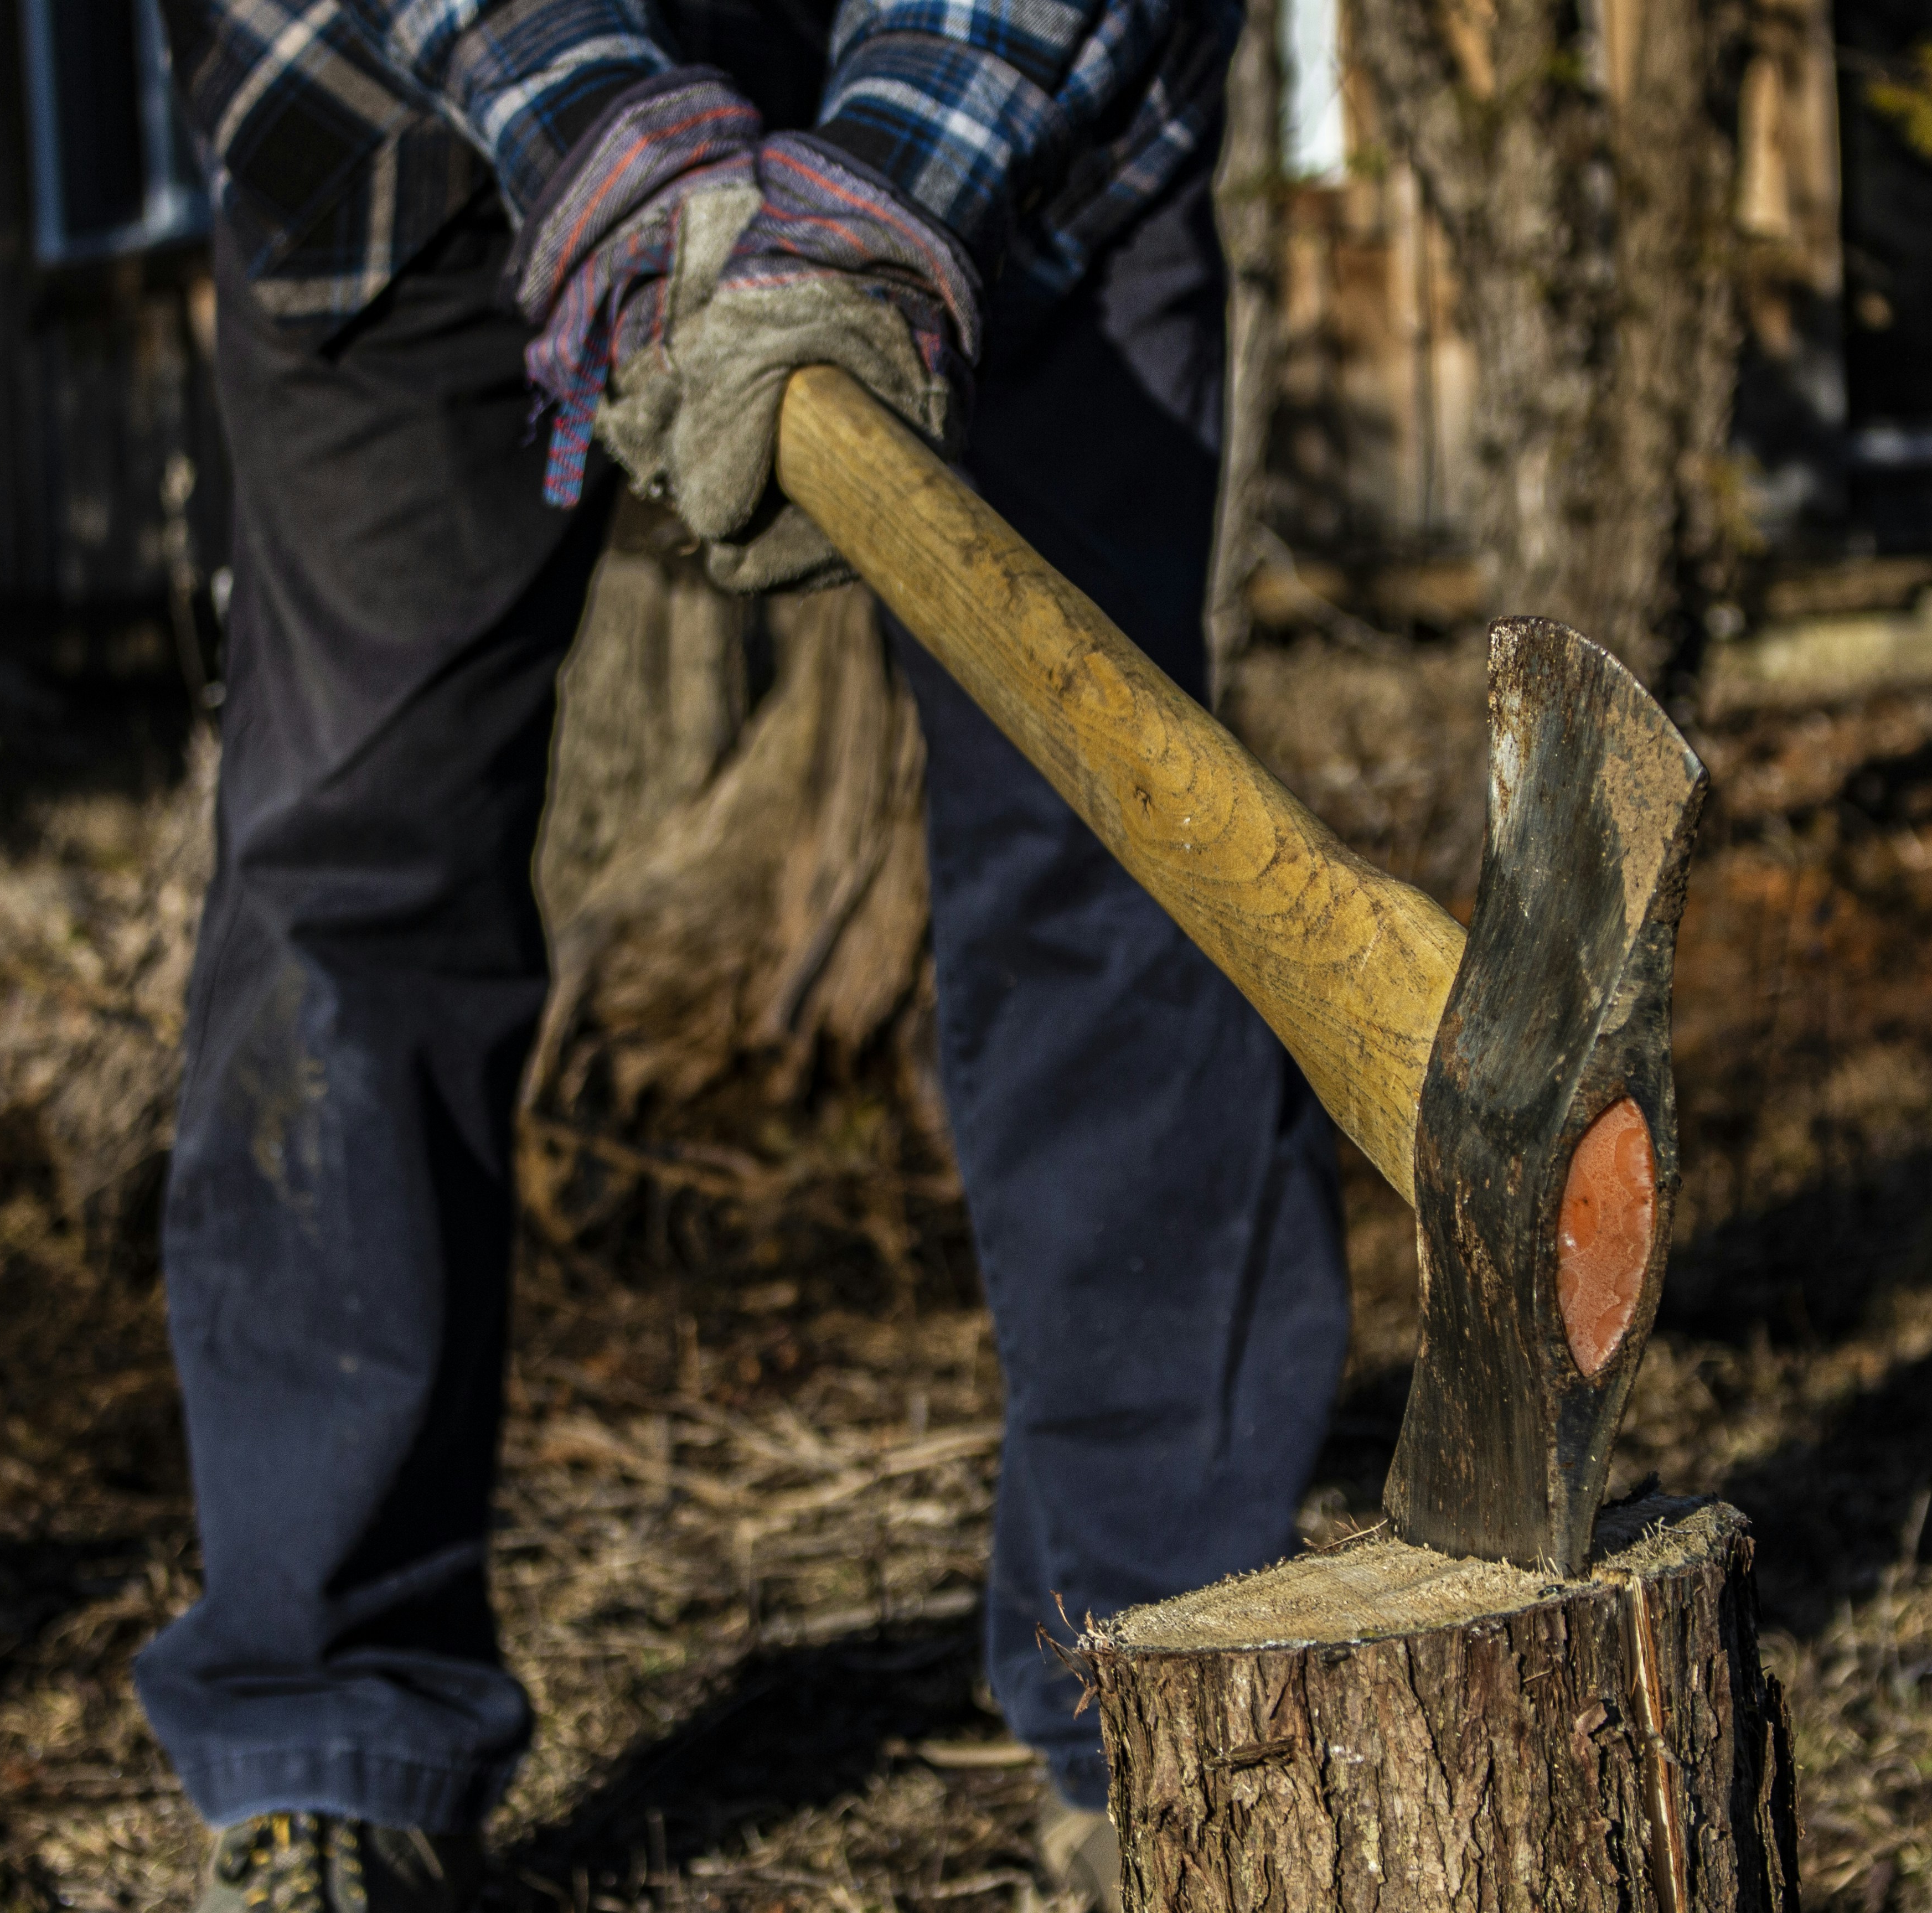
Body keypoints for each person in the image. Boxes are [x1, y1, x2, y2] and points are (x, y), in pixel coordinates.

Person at [139, 2, 1353, 1906]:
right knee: (351, 860)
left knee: (1121, 837)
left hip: (1019, 110)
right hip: (393, 114)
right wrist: (611, 143)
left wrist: (880, 198)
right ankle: (328, 1727)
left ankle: (1173, 1692)